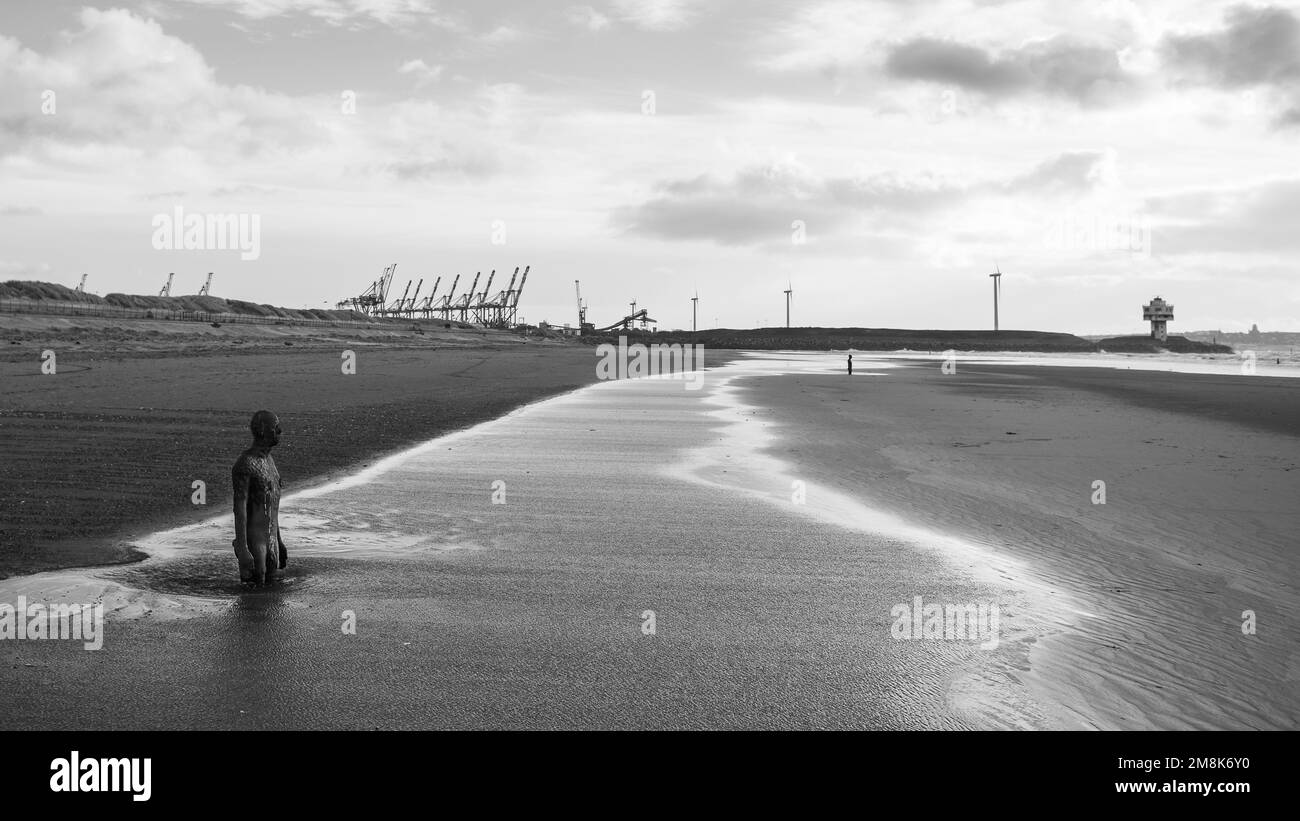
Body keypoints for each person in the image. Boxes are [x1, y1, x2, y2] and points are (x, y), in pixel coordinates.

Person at [231, 410, 287, 585]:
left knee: (272, 598)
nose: (280, 431)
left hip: (271, 541)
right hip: (254, 543)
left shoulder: (269, 461)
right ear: (263, 431)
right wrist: (242, 548)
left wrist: (279, 541)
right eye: (276, 427)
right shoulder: (245, 464)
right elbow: (239, 510)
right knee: (253, 591)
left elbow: (272, 506)